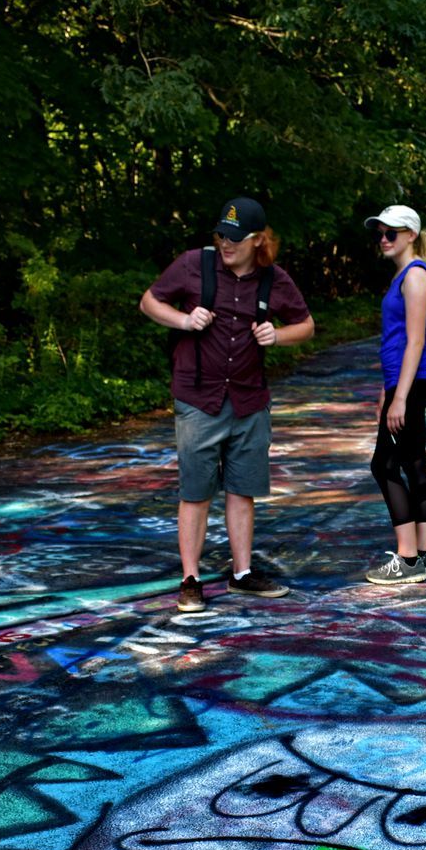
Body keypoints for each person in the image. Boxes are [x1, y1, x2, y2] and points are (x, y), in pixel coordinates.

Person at [139, 197, 316, 612]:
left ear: (258, 240)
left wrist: (279, 336)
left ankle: (241, 574)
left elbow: (306, 326)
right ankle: (190, 579)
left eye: (236, 238)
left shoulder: (274, 279)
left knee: (242, 489)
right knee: (196, 491)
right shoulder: (192, 265)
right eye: (221, 235)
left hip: (249, 399)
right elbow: (149, 302)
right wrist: (184, 321)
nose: (226, 244)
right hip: (198, 397)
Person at [362, 204, 426, 585]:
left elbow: (414, 342)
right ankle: (425, 553)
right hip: (406, 382)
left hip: (412, 382)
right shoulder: (408, 275)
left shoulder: (414, 277)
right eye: (380, 233)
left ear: (410, 235)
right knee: (413, 461)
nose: (383, 239)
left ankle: (408, 559)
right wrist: (388, 391)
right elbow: (398, 342)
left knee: (383, 465)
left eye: (391, 233)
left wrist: (400, 397)